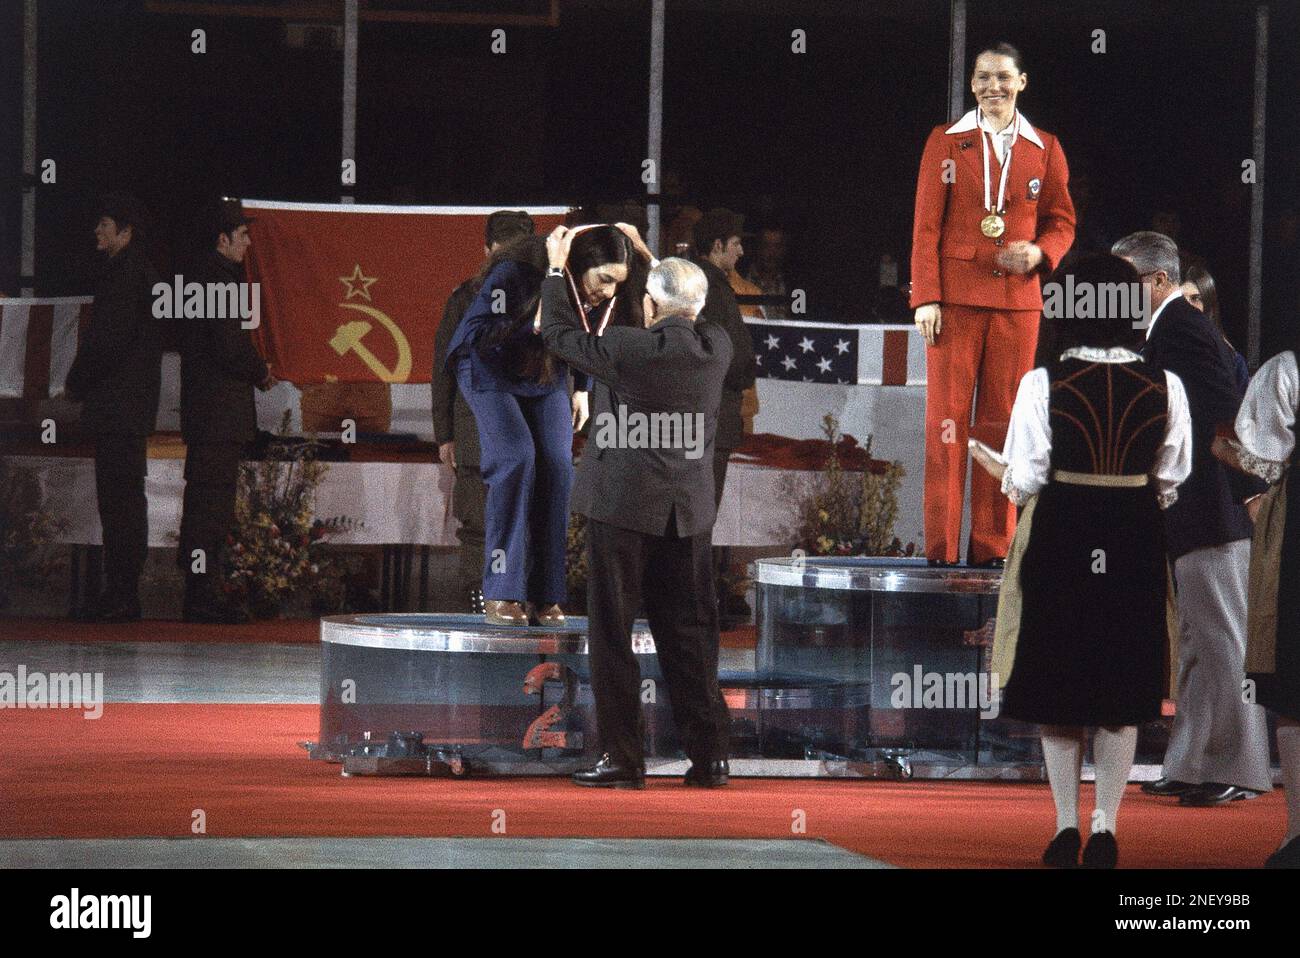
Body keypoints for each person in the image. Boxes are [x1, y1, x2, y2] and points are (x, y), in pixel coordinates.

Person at [988, 254, 1191, 868]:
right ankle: (1106, 825)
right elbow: (1171, 476)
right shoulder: (1167, 384)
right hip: (1132, 534)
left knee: (1059, 685)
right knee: (1122, 687)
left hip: (1064, 532)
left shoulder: (1041, 382)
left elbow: (1023, 478)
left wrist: (1004, 477)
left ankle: (1064, 826)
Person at [539, 230, 732, 789]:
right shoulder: (716, 347)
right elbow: (689, 303)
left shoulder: (628, 348)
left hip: (623, 510)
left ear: (647, 305)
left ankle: (623, 760)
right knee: (692, 635)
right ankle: (710, 758)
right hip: (688, 513)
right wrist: (653, 262)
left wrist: (556, 270)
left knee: (613, 635)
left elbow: (557, 334)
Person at [1113, 231, 1273, 806]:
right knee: (1198, 639)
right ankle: (1192, 760)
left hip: (1214, 510)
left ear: (1158, 280)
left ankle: (1242, 767)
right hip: (1193, 512)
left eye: (1124, 278)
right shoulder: (1169, 332)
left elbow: (1222, 413)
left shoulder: (1182, 328)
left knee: (1225, 641)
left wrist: (1247, 490)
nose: (1111, 292)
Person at [910, 42, 1076, 567]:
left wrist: (1041, 252)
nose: (992, 87)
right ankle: (940, 550)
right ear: (972, 84)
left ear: (1022, 82)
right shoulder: (946, 141)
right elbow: (925, 227)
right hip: (954, 302)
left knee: (1004, 424)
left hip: (1017, 305)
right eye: (983, 78)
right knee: (947, 423)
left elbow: (1062, 221)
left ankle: (991, 550)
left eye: (1003, 77)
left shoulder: (1045, 147)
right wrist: (926, 297)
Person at [444, 225, 640, 626]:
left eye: (615, 283)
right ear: (579, 263)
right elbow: (479, 338)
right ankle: (501, 592)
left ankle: (546, 594)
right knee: (516, 459)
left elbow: (587, 339)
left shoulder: (599, 293)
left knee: (557, 466)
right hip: (488, 366)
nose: (607, 291)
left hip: (544, 374)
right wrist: (530, 320)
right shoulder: (511, 275)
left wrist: (582, 389)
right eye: (603, 278)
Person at [1217, 349, 1300, 867]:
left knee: (1294, 683)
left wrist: (1226, 453)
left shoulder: (1290, 367)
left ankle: (1298, 834)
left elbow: (1263, 455)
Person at [176, 199, 276, 624]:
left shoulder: (203, 277)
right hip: (218, 415)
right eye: (243, 235)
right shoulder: (217, 281)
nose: (250, 243)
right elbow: (229, 345)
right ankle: (201, 597)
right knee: (209, 509)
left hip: (207, 414)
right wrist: (262, 372)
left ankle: (200, 590)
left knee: (205, 504)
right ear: (223, 238)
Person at [65, 193, 162, 623]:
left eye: (105, 224)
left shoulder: (126, 275)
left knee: (120, 501)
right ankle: (121, 590)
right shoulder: (133, 272)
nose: (97, 231)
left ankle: (122, 593)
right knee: (123, 500)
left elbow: (108, 341)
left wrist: (76, 383)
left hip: (119, 408)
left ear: (126, 232)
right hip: (126, 408)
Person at [432, 210, 536, 612]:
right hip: (486, 431)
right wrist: (445, 434)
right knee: (484, 523)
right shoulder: (466, 299)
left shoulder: (544, 297)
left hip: (506, 432)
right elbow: (444, 367)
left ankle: (504, 596)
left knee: (503, 521)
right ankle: (486, 595)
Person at [692, 209, 759, 621]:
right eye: (735, 244)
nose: (740, 251)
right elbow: (731, 358)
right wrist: (746, 368)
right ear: (717, 246)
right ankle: (695, 602)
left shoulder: (707, 285)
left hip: (707, 416)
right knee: (702, 512)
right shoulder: (713, 288)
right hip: (712, 416)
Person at [1181, 264, 1248, 390]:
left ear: (1207, 304)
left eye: (1195, 298)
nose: (1188, 306)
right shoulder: (1156, 350)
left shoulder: (1234, 361)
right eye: (1181, 299)